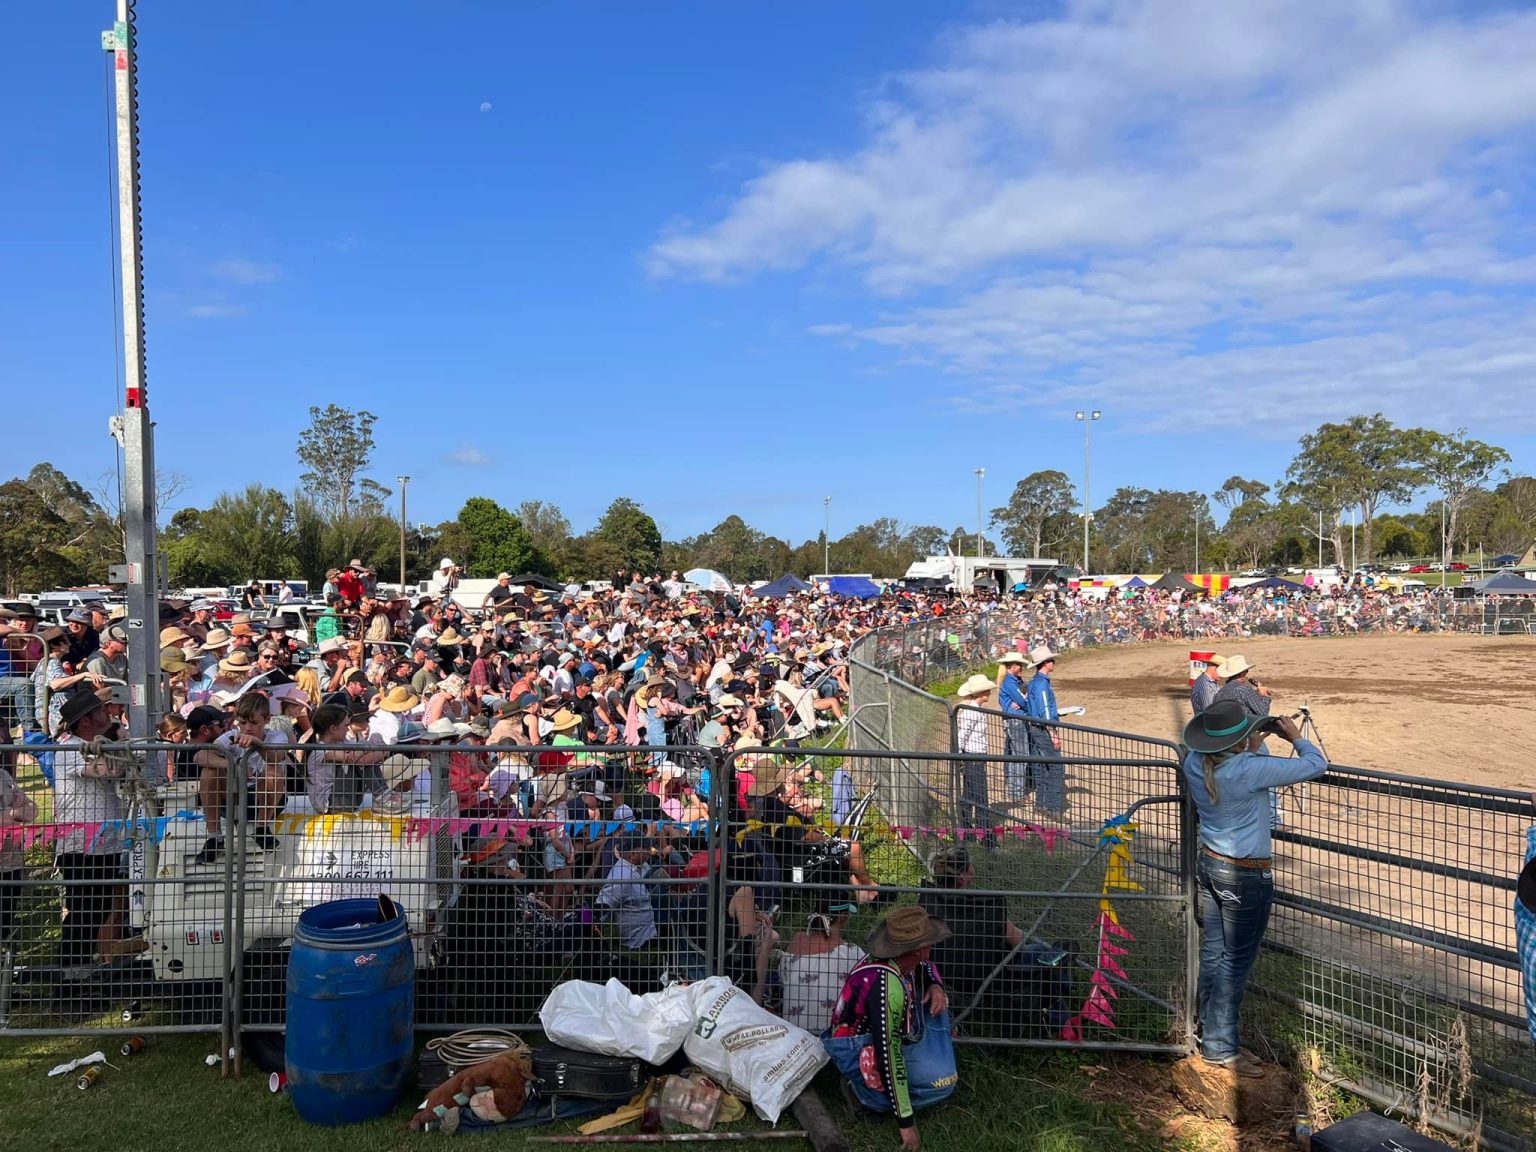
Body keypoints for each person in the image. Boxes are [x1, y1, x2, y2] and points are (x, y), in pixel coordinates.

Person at [1183, 700, 1326, 1076]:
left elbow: (1226, 764)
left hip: (1212, 863)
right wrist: (1295, 737)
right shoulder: (1248, 768)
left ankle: (1207, 1031)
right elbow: (1316, 764)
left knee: (1214, 952)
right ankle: (1220, 1047)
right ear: (1239, 740)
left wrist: (1251, 744)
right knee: (1235, 961)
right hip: (1245, 875)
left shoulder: (1195, 762)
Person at [825, 905, 957, 1150]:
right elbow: (888, 1053)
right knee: (940, 1084)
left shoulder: (894, 964)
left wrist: (935, 985)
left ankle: (877, 1093)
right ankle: (866, 1096)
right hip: (855, 1048)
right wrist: (906, 1123)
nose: (931, 951)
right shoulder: (887, 986)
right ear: (918, 950)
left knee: (936, 1074)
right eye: (929, 945)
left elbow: (927, 967)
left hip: (863, 1038)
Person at [919, 844, 1071, 1031]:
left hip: (945, 977)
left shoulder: (929, 903)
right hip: (995, 977)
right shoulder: (984, 906)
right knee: (1046, 953)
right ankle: (1060, 1017)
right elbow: (1018, 943)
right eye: (970, 864)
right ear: (963, 876)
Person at [51, 690, 147, 970]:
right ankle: (70, 976)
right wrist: (122, 743)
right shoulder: (70, 748)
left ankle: (85, 971)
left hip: (106, 843)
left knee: (100, 909)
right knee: (83, 913)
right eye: (101, 710)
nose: (108, 713)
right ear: (85, 720)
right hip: (80, 846)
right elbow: (106, 771)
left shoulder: (98, 747)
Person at [779, 900, 863, 1035]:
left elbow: (782, 978)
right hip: (833, 1037)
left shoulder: (795, 942)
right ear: (843, 916)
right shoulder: (853, 953)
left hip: (794, 1036)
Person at [952, 674, 996, 841]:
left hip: (973, 757)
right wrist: (959, 756)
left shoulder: (974, 710)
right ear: (980, 693)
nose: (989, 692)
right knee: (980, 797)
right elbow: (962, 735)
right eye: (987, 690)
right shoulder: (972, 712)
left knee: (969, 794)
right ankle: (985, 836)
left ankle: (966, 830)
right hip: (974, 757)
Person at [1023, 646, 1065, 815]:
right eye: (1051, 660)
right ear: (1046, 663)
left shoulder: (1035, 682)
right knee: (1056, 766)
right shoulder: (1042, 684)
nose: (1053, 663)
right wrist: (1053, 734)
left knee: (1041, 766)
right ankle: (1054, 808)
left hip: (1035, 727)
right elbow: (1045, 711)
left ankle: (1041, 804)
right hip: (1042, 729)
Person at [994, 652, 1030, 800]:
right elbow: (1023, 701)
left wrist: (1024, 699)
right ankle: (1017, 792)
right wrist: (1025, 701)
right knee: (1021, 756)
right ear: (1013, 666)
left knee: (1016, 755)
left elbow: (1024, 695)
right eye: (1019, 665)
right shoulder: (1010, 682)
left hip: (1013, 719)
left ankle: (1014, 790)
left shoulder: (1014, 681)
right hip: (1016, 720)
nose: (1021, 667)